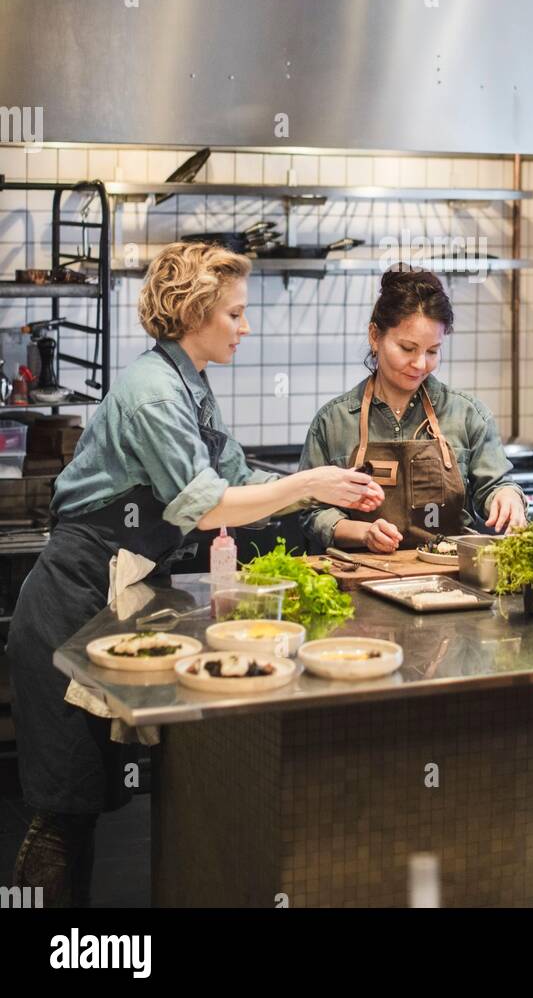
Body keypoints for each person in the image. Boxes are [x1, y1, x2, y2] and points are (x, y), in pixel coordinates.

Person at [8, 242, 383, 906]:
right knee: (61, 812)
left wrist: (327, 495)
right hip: (70, 607)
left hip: (113, 601)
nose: (246, 327)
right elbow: (209, 507)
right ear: (195, 310)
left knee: (87, 801)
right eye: (236, 314)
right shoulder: (153, 390)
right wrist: (311, 480)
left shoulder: (189, 384)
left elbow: (235, 479)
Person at [298, 268, 527, 552]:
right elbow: (312, 511)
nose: (420, 364)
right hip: (360, 577)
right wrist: (365, 533)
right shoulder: (333, 421)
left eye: (432, 351)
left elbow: (493, 486)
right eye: (407, 348)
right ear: (374, 336)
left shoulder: (468, 415)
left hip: (449, 581)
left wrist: (506, 496)